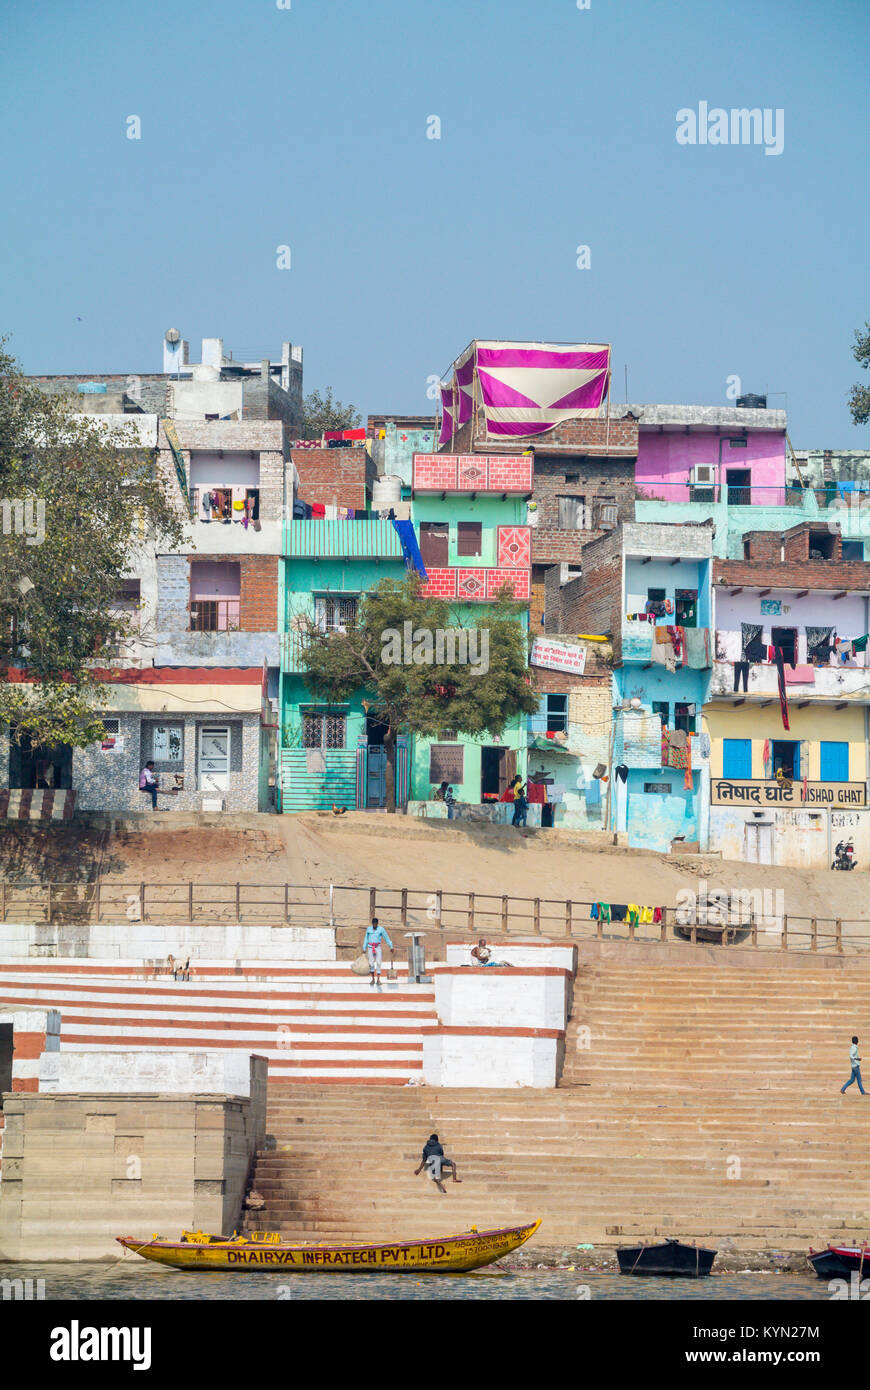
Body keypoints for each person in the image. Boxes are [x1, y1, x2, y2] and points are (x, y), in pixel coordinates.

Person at [362, 917, 394, 989]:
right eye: (373, 924)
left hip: (377, 947)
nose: (375, 925)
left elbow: (386, 938)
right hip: (370, 947)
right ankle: (373, 979)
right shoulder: (369, 929)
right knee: (371, 963)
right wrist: (364, 947)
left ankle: (378, 979)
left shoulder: (381, 929)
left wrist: (391, 946)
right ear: (372, 923)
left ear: (377, 923)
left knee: (379, 962)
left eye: (376, 924)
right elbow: (366, 939)